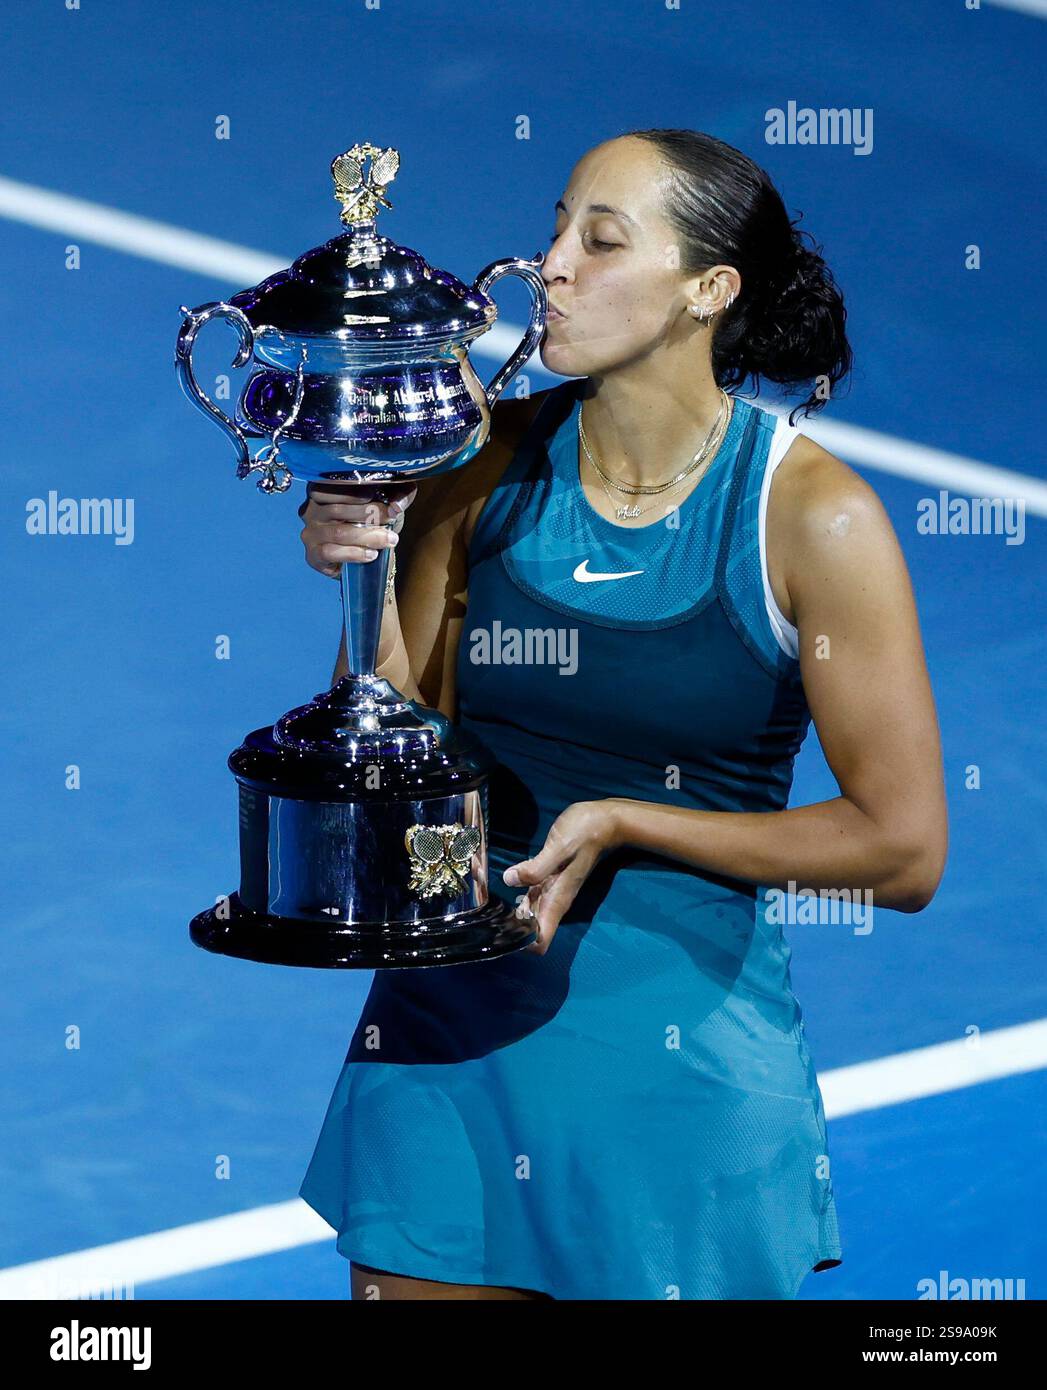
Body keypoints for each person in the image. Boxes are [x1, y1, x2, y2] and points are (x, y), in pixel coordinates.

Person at [295, 128, 948, 1301]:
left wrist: (632, 822)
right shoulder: (477, 459)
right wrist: (365, 570)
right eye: (555, 230)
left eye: (600, 242)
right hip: (444, 1047)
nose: (550, 265)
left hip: (677, 1088)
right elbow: (405, 746)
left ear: (709, 291)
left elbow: (901, 850)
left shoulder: (813, 521)